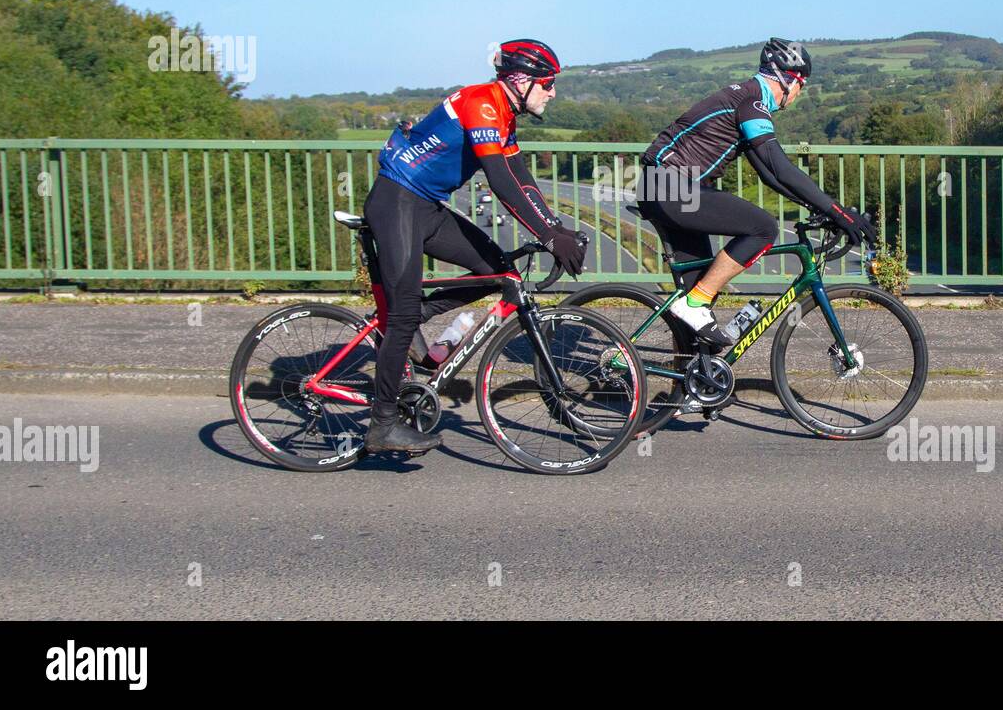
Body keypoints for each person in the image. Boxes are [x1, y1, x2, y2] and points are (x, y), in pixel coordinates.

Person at [362, 39, 587, 453]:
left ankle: (410, 318)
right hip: (395, 201)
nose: (553, 92)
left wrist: (556, 228)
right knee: (404, 312)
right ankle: (382, 424)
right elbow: (500, 183)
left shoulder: (504, 115)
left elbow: (521, 178)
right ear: (521, 81)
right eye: (548, 82)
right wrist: (549, 237)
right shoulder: (481, 104)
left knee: (498, 269)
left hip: (425, 206)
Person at [637, 37, 876, 346]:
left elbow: (769, 175)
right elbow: (780, 167)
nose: (800, 94)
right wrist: (838, 211)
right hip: (671, 188)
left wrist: (818, 209)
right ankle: (694, 304)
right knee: (762, 228)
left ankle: (690, 387)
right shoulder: (752, 103)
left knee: (696, 306)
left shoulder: (745, 100)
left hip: (665, 188)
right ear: (790, 80)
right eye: (802, 85)